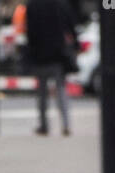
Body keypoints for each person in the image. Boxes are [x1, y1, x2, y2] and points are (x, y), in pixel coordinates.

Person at [25, 0, 77, 137]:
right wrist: (75, 45)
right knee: (61, 89)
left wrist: (31, 53)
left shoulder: (32, 5)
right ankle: (65, 124)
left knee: (42, 93)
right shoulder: (60, 4)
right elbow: (71, 26)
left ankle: (44, 125)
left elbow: (29, 31)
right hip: (58, 54)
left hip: (40, 55)